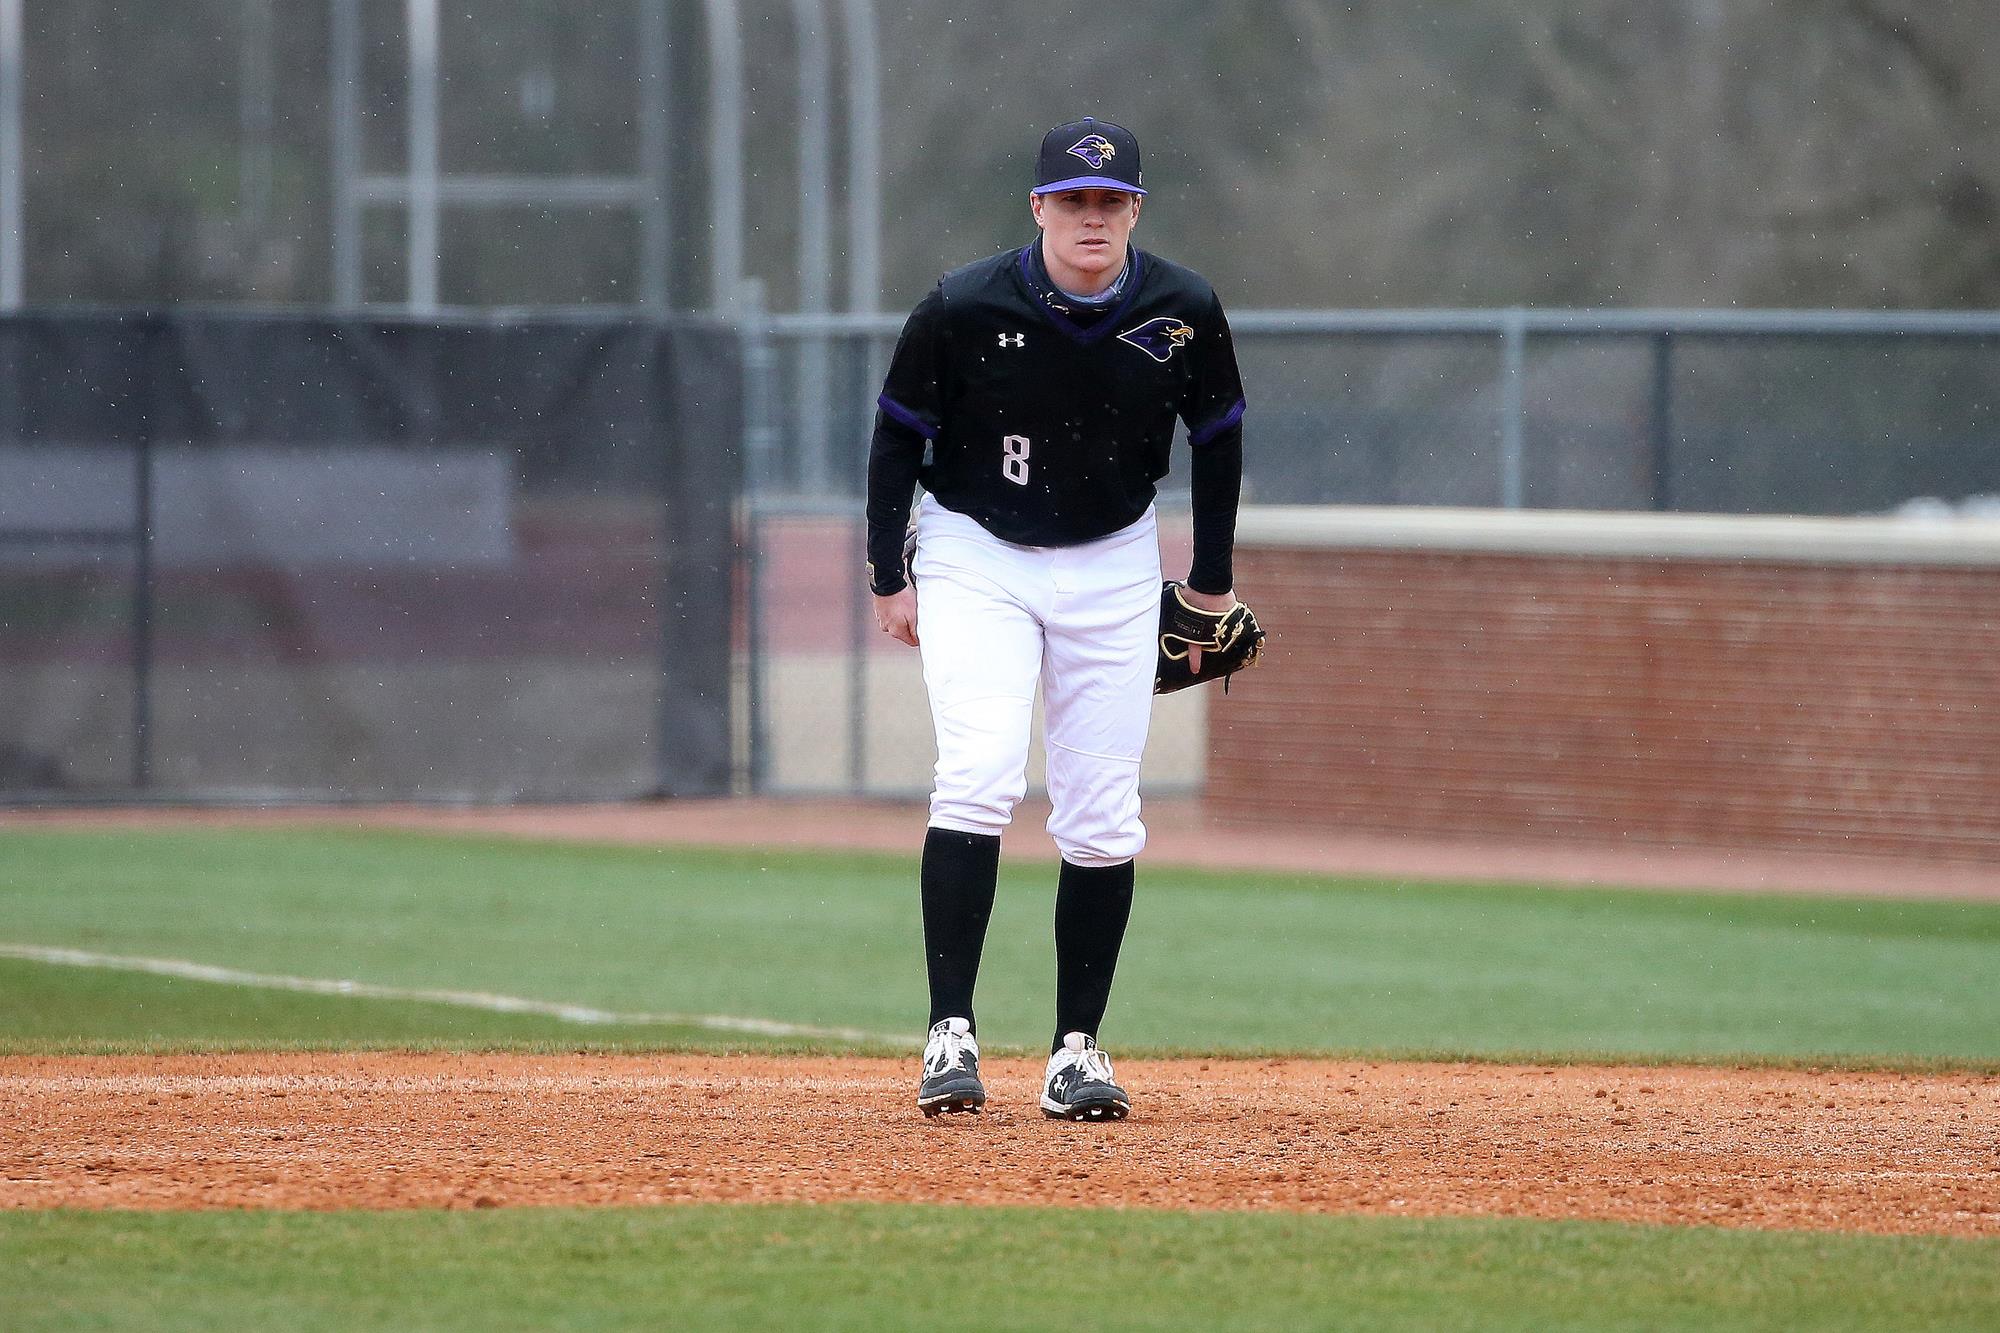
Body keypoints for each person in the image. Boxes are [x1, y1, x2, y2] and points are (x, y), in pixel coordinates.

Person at [866, 117, 1246, 1121]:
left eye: (1109, 201)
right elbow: (896, 437)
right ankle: (951, 1032)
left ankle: (1075, 1050)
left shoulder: (1181, 308)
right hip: (975, 548)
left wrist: (1207, 588)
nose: (1091, 217)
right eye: (1072, 200)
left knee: (1100, 809)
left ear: (1133, 211)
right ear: (1036, 206)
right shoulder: (961, 304)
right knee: (980, 770)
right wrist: (884, 576)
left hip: (1114, 559)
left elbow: (1217, 444)